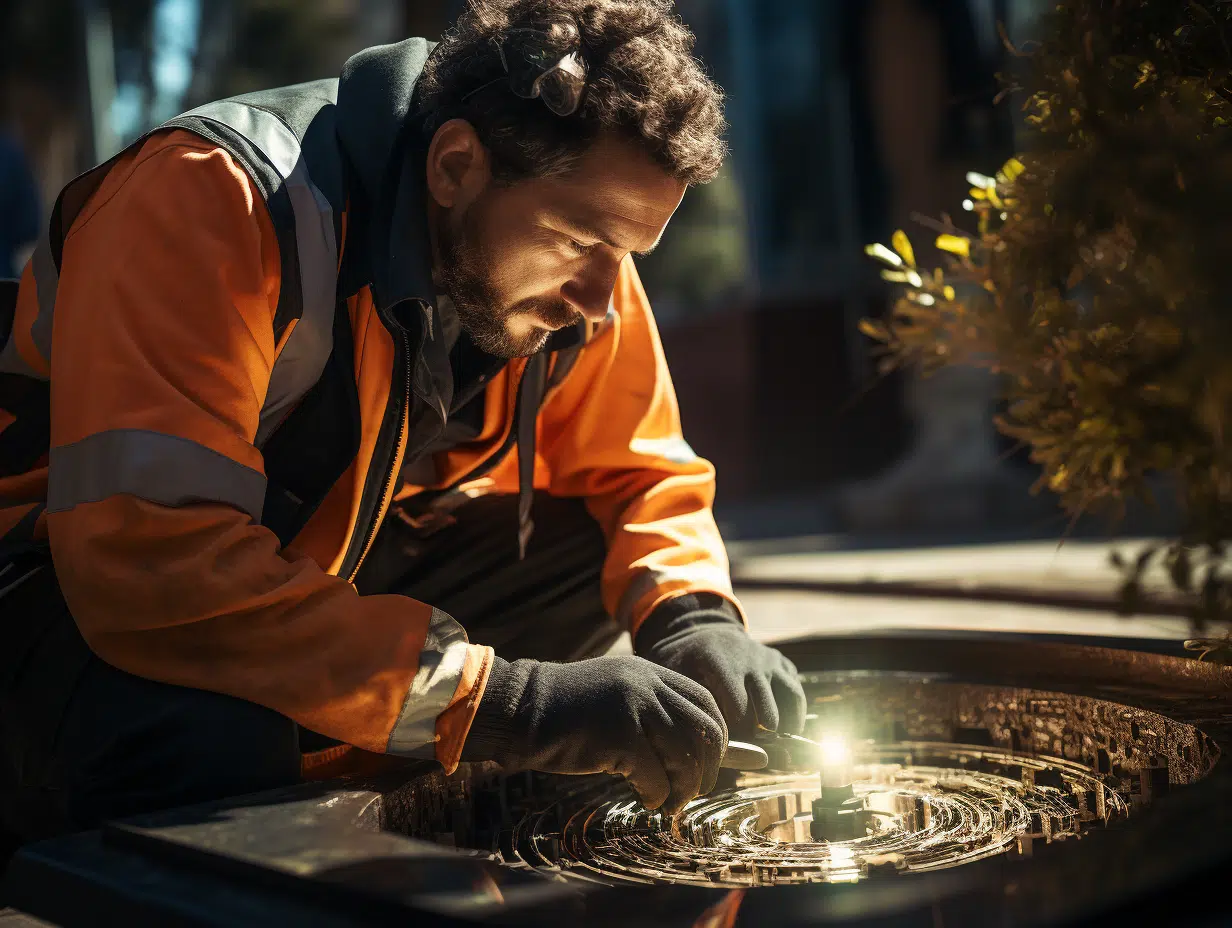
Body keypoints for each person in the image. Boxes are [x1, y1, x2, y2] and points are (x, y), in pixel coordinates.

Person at [0, 0, 805, 842]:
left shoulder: (575, 264)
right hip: (56, 601)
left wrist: (694, 617)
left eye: (630, 255)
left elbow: (639, 473)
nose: (603, 300)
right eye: (582, 241)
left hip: (295, 575)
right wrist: (501, 703)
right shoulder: (213, 196)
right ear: (456, 164)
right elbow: (152, 561)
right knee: (209, 743)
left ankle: (369, 760)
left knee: (587, 549)